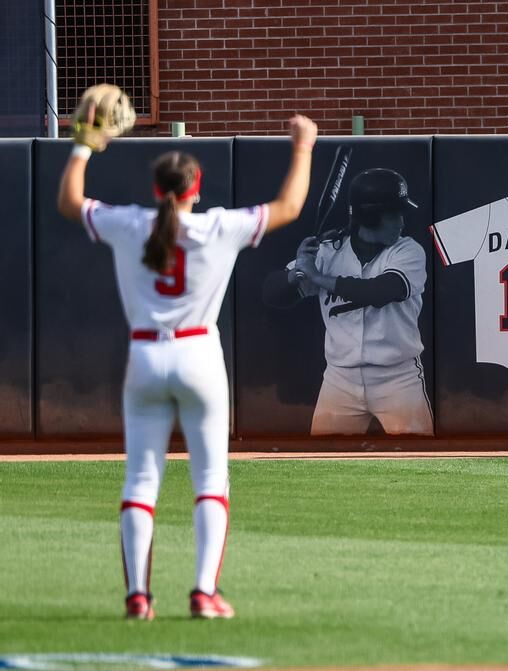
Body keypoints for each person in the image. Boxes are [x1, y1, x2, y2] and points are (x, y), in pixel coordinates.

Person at [57, 109, 318, 620]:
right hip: (198, 355)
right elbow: (289, 206)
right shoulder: (217, 226)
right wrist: (303, 145)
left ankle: (137, 597)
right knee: (210, 479)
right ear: (196, 188)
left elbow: (69, 202)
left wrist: (84, 145)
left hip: (146, 356)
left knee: (140, 481)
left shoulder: (130, 224)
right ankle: (203, 592)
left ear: (157, 190)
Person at [262, 168, 433, 435]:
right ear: (371, 216)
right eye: (392, 214)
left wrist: (318, 277)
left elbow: (379, 292)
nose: (401, 221)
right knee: (322, 463)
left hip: (398, 378)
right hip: (340, 379)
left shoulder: (408, 250)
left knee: (420, 457)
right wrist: (297, 274)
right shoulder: (329, 250)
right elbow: (272, 294)